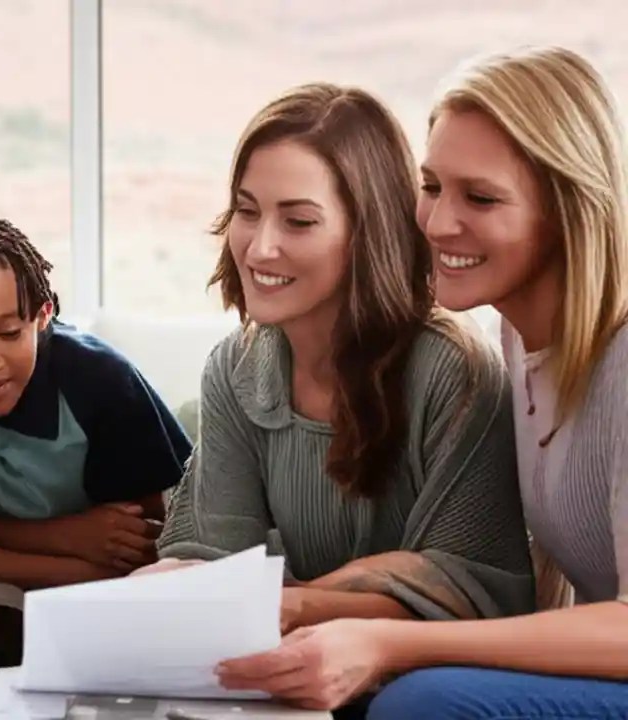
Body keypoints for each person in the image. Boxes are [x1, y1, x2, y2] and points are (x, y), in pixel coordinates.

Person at [224, 47, 628, 719]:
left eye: (481, 198)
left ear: (567, 210)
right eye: (432, 186)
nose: (437, 224)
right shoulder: (520, 339)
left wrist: (389, 642)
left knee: (423, 702)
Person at [135, 83, 537, 712]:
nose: (260, 246)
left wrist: (297, 599)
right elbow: (212, 561)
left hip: (426, 688)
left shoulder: (451, 369)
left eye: (298, 221)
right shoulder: (236, 369)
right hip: (289, 679)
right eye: (247, 210)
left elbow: (469, 595)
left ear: (367, 233)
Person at [0, 215, 191, 666]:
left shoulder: (100, 382)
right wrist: (72, 536)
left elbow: (139, 556)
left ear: (43, 315)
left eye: (8, 334)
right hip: (13, 588)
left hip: (120, 588)